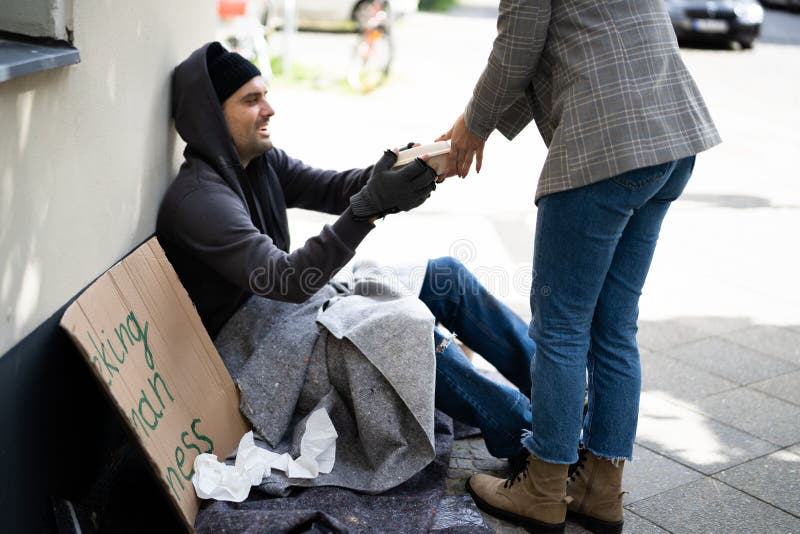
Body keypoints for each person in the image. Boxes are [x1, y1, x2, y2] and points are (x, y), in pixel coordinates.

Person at [156, 42, 535, 468]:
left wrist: (398, 172)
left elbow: (334, 188)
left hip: (296, 318)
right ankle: (530, 443)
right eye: (251, 100)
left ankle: (560, 403)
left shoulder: (258, 163)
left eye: (265, 94)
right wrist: (370, 205)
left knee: (445, 277)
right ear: (212, 116)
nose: (269, 108)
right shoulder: (199, 199)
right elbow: (287, 280)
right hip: (258, 354)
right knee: (400, 328)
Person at [438, 2, 721, 533]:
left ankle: (545, 487)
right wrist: (475, 123)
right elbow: (578, 34)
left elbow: (518, 46)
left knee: (562, 328)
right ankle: (600, 486)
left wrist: (474, 127)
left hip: (605, 145)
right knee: (615, 324)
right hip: (670, 135)